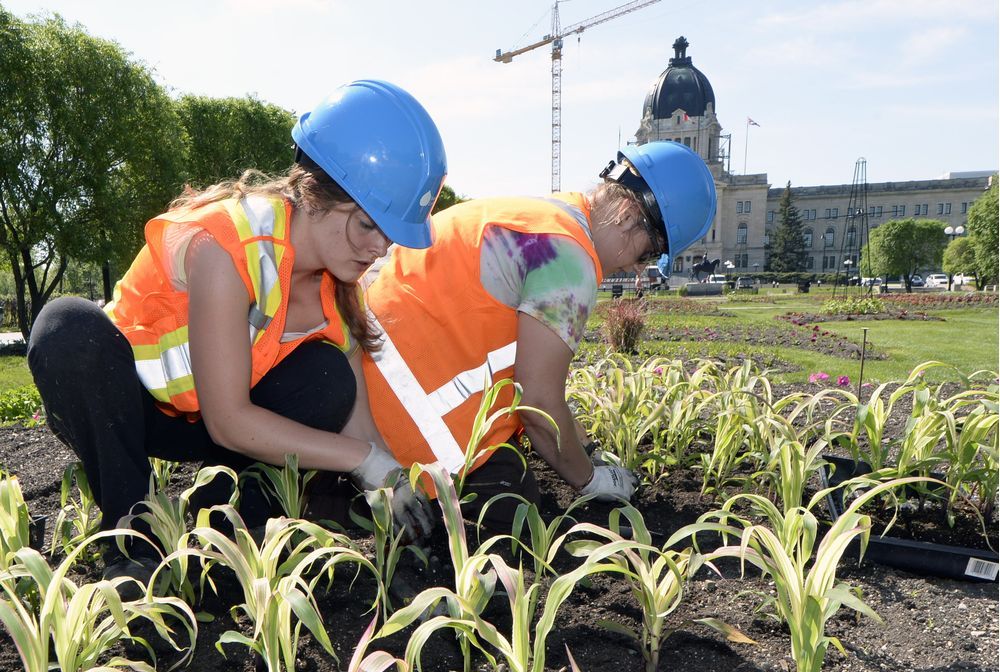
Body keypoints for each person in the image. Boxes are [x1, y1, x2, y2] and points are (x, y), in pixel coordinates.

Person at [27, 80, 445, 584]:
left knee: (328, 377)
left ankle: (224, 530)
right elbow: (230, 421)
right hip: (130, 410)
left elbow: (361, 429)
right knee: (66, 327)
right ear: (314, 193)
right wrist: (363, 461)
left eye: (390, 234)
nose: (379, 248)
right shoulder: (230, 243)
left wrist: (395, 481)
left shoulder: (339, 290)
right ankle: (131, 537)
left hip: (210, 430)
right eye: (367, 225)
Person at [360, 141, 717, 529]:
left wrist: (587, 448)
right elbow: (539, 405)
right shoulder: (569, 260)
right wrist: (590, 478)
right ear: (628, 215)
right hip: (399, 423)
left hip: (359, 390)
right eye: (648, 253)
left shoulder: (548, 219)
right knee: (514, 508)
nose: (637, 268)